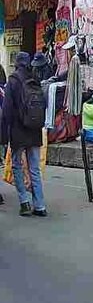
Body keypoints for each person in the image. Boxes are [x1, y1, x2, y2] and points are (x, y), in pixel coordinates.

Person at [1, 52, 48, 217]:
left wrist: (4, 135)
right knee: (34, 168)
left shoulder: (13, 81)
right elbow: (44, 105)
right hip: (34, 131)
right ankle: (40, 205)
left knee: (17, 166)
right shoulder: (35, 79)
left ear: (16, 63)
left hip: (18, 132)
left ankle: (24, 202)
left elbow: (6, 110)